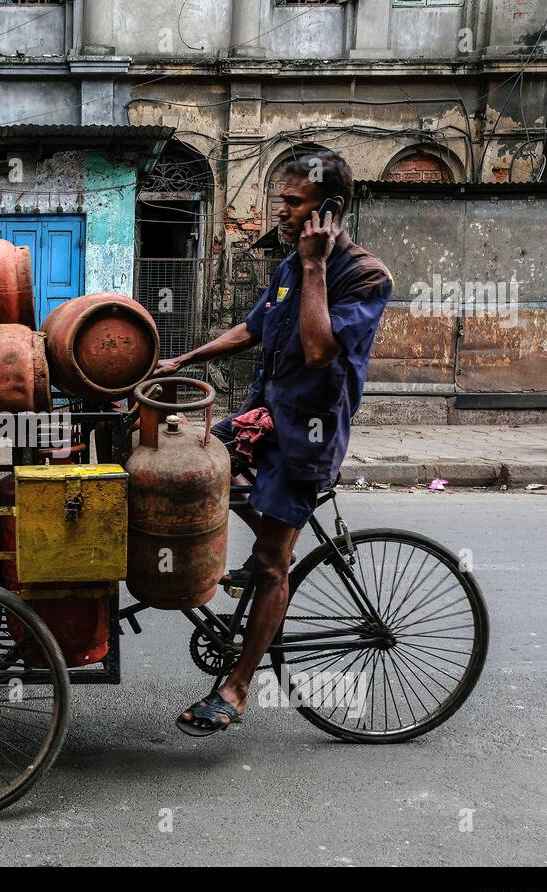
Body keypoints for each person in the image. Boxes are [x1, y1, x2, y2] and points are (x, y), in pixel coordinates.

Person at [155, 150, 393, 736]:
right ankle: (267, 551)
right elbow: (253, 328)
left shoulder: (365, 276)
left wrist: (315, 267)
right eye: (279, 201)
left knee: (269, 565)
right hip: (263, 417)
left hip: (308, 436)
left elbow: (318, 349)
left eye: (293, 203)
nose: (281, 213)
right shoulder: (289, 266)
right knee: (189, 458)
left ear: (329, 209)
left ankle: (236, 687)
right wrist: (183, 359)